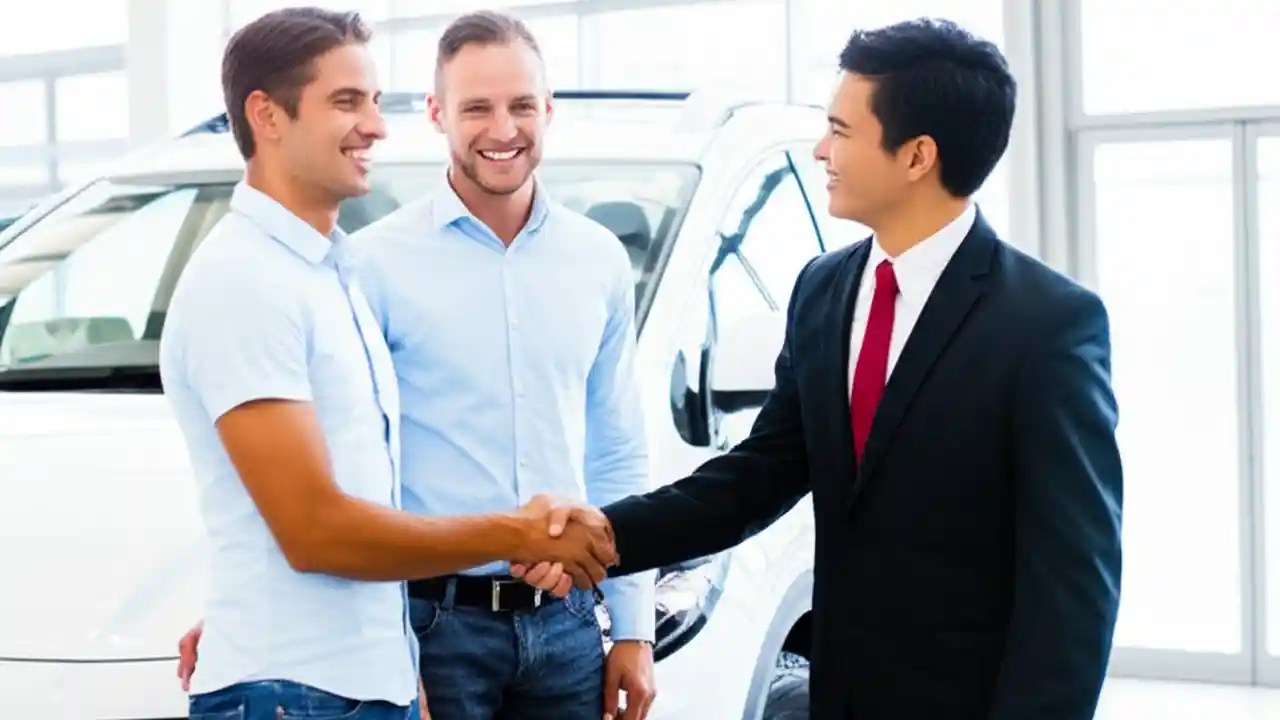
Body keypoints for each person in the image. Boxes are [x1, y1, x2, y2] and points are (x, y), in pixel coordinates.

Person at [520, 16, 1124, 720]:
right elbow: (759, 476)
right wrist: (603, 537)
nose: (819, 150)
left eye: (840, 131)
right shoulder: (823, 290)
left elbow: (1075, 582)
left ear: (917, 155)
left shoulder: (1047, 324)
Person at [160, 8, 615, 720]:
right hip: (295, 693)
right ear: (266, 116)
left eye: (373, 101)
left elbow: (362, 487)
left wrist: (404, 667)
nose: (375, 125)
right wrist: (518, 533)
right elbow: (313, 529)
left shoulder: (327, 271)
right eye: (347, 102)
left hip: (359, 682)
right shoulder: (243, 280)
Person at [349, 10, 657, 720]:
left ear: (548, 109)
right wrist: (381, 647)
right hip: (432, 628)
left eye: (521, 105)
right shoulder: (374, 266)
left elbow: (616, 448)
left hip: (569, 623)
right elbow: (354, 470)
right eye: (476, 108)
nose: (502, 129)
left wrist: (633, 628)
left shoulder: (599, 259)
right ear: (436, 114)